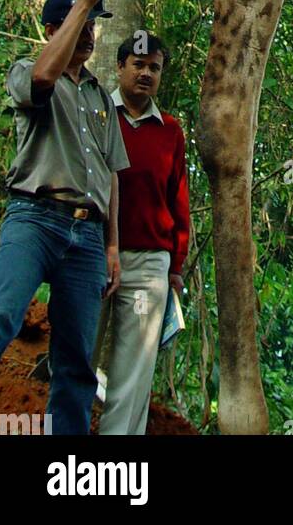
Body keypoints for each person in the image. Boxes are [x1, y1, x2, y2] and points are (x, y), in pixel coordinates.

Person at [0, 0, 128, 434]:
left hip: (87, 237)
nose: (90, 31)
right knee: (2, 313)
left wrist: (111, 247)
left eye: (94, 22)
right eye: (81, 21)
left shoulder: (100, 97)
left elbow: (112, 178)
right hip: (34, 219)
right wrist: (81, 2)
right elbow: (42, 77)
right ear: (54, 29)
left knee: (75, 362)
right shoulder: (28, 72)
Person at [98, 33, 190, 435]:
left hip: (148, 266)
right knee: (76, 353)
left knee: (132, 373)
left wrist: (176, 266)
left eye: (154, 67)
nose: (146, 73)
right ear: (120, 68)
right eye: (138, 64)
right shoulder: (97, 115)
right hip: (92, 255)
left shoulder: (171, 131)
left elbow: (178, 200)